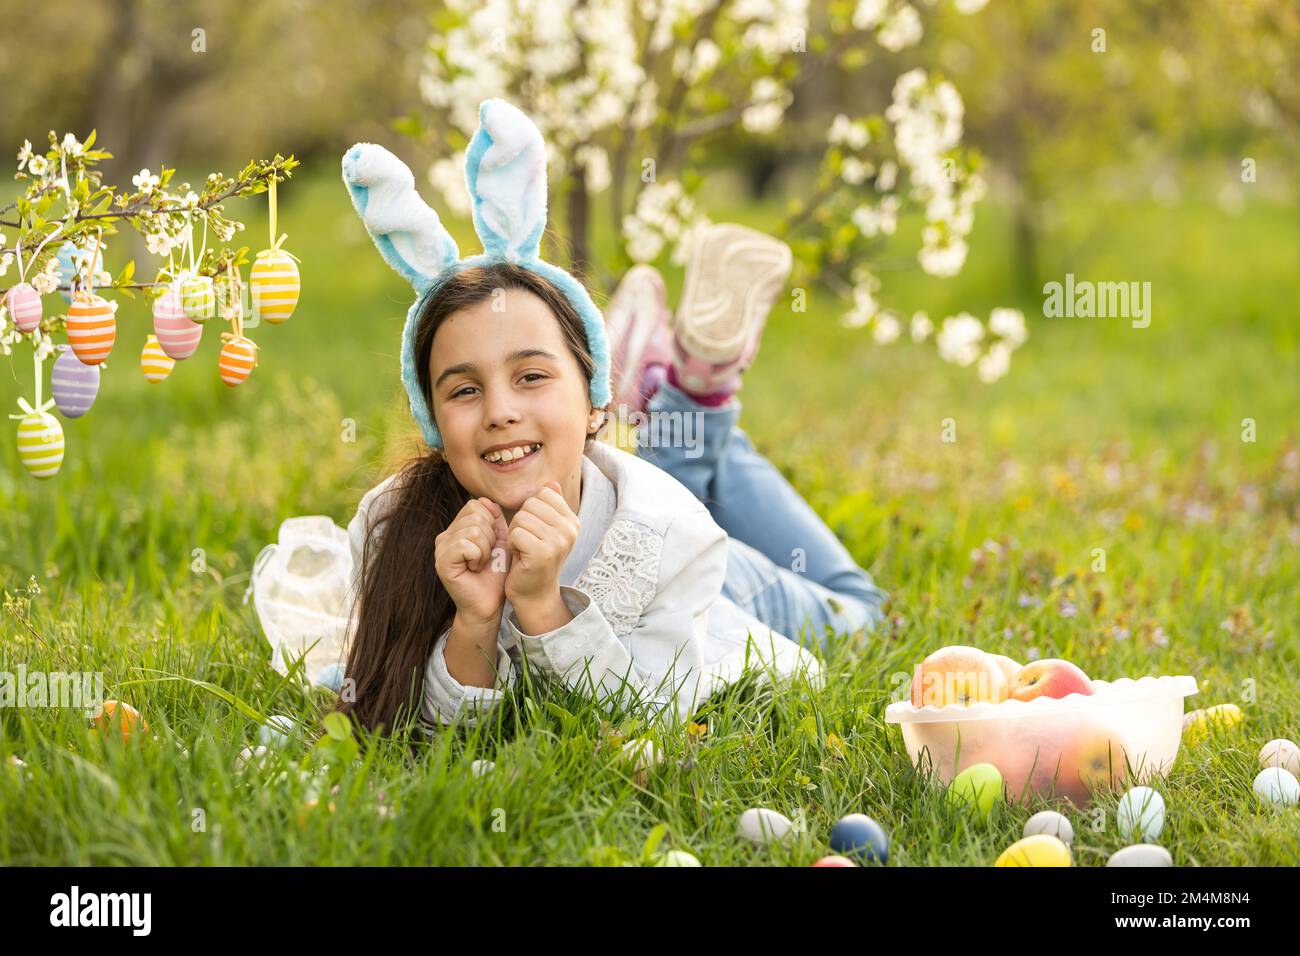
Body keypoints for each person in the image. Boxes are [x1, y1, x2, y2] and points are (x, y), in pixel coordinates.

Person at [327, 98, 885, 736]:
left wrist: (542, 608)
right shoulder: (388, 526)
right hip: (614, 476)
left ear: (594, 396)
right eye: (463, 391)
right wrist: (476, 622)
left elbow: (648, 725)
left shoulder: (668, 533)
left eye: (531, 376)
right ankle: (685, 387)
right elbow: (414, 732)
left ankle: (686, 391)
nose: (500, 413)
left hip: (707, 594)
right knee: (645, 461)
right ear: (430, 417)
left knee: (862, 614)